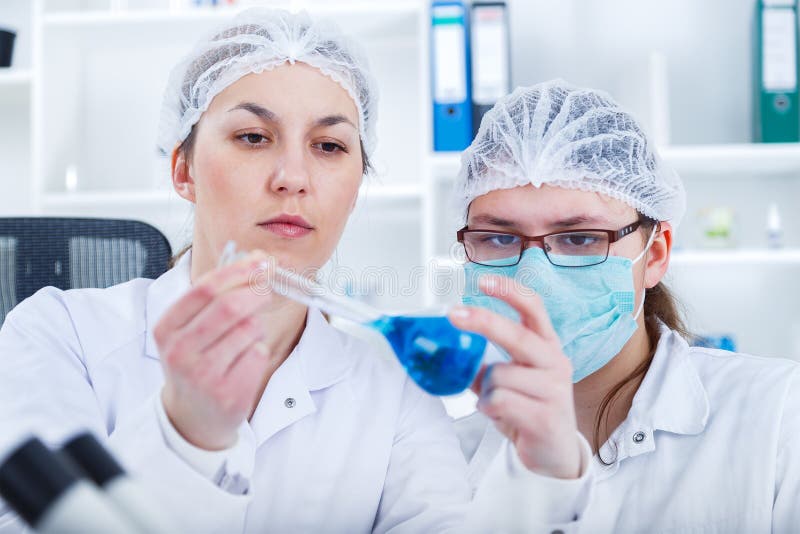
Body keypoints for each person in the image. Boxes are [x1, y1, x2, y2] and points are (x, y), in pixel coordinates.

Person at [0, 9, 478, 532]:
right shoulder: (60, 334)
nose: (293, 177)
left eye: (329, 146)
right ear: (183, 170)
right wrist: (186, 436)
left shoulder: (398, 393)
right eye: (253, 137)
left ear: (356, 186)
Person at [447, 79, 800, 532]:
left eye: (580, 238)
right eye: (498, 238)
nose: (535, 276)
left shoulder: (777, 416)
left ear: (655, 255)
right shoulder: (444, 459)